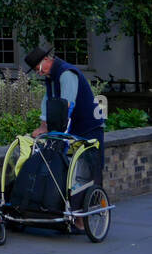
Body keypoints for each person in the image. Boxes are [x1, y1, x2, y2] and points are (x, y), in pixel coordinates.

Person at [25, 47, 104, 224]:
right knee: (68, 169)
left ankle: (83, 216)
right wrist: (43, 126)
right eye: (36, 71)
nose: (39, 73)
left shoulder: (66, 73)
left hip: (88, 126)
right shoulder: (50, 77)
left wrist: (59, 133)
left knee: (85, 170)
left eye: (38, 68)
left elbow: (68, 105)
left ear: (47, 59)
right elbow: (48, 101)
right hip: (73, 126)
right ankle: (68, 210)